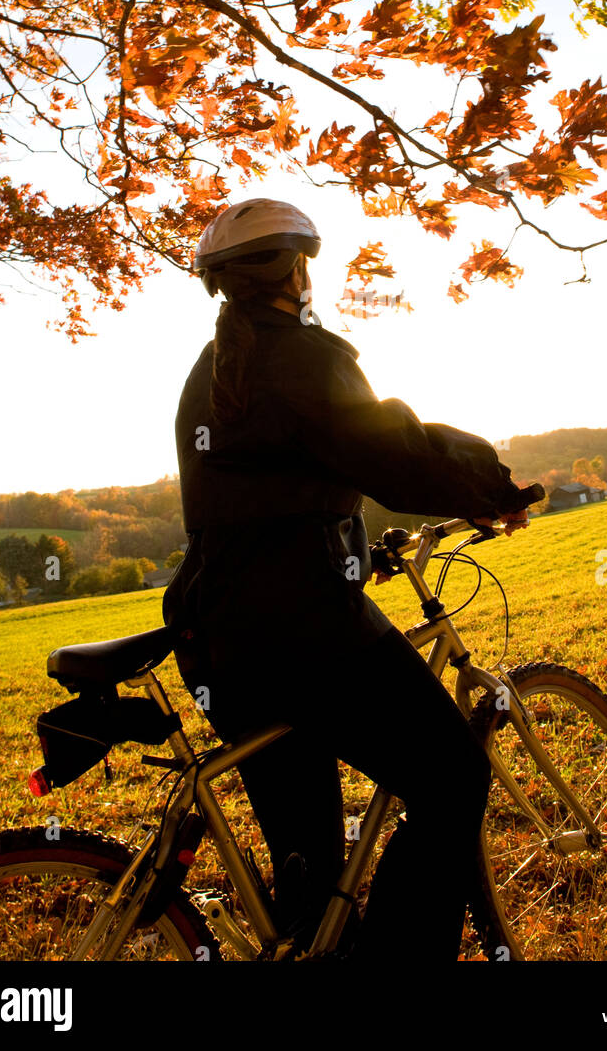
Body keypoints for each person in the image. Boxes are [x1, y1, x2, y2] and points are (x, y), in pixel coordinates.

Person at [163, 197, 539, 960]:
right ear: (296, 270)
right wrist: (491, 491)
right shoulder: (304, 355)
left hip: (221, 639)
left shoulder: (211, 372)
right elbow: (392, 451)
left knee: (309, 869)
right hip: (307, 635)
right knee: (452, 779)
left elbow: (262, 499)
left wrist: (352, 551)